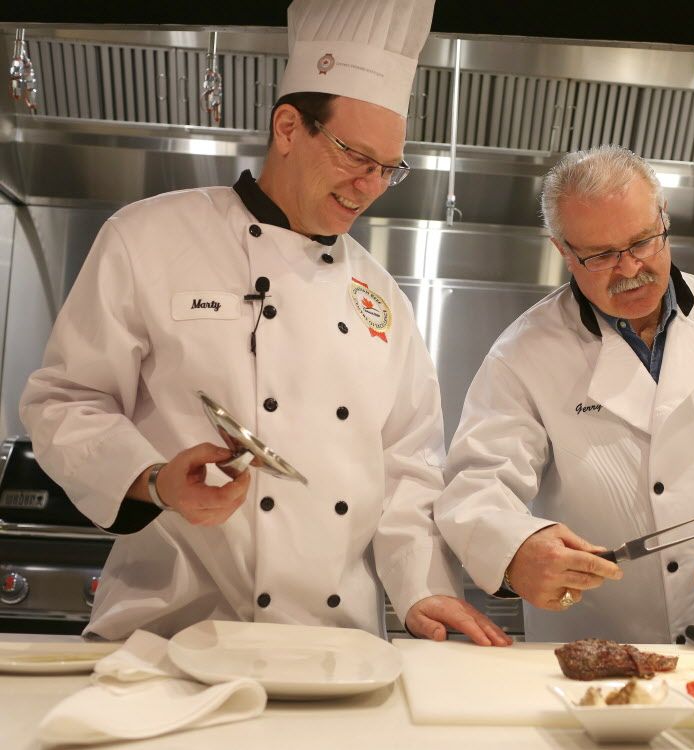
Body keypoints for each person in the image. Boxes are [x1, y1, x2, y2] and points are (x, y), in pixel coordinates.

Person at [19, 0, 509, 647]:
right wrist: (154, 479)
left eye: (388, 168)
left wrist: (425, 588)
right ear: (287, 127)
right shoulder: (149, 237)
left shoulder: (382, 299)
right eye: (355, 155)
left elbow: (408, 469)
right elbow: (66, 400)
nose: (369, 186)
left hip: (334, 652)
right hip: (167, 639)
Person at [434, 145, 694, 643]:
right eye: (602, 255)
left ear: (664, 219)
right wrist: (517, 549)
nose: (630, 268)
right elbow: (479, 483)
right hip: (587, 643)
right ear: (563, 251)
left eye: (642, 242)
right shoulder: (524, 352)